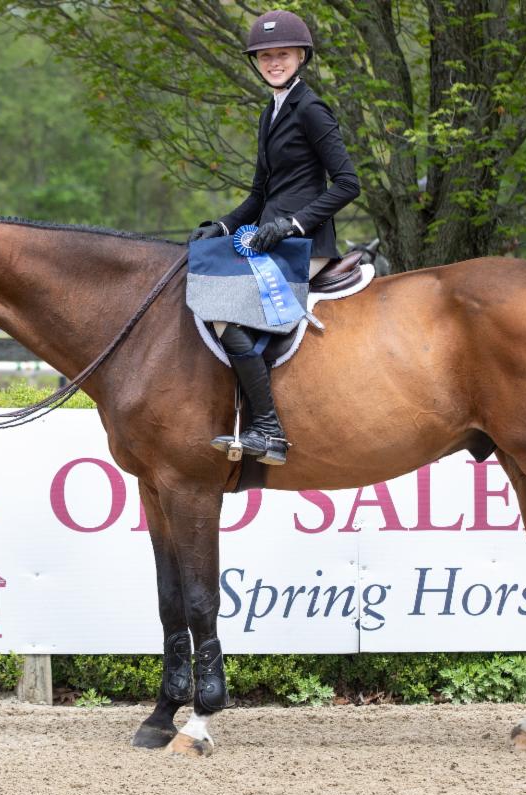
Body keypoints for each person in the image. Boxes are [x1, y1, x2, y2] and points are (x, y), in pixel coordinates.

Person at [188, 9, 361, 467]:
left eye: (281, 55)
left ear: (300, 56)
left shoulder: (311, 109)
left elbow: (347, 184)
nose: (273, 63)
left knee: (227, 315)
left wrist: (294, 225)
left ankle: (268, 430)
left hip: (303, 244)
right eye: (265, 57)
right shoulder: (271, 112)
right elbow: (260, 194)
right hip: (266, 240)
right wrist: (223, 226)